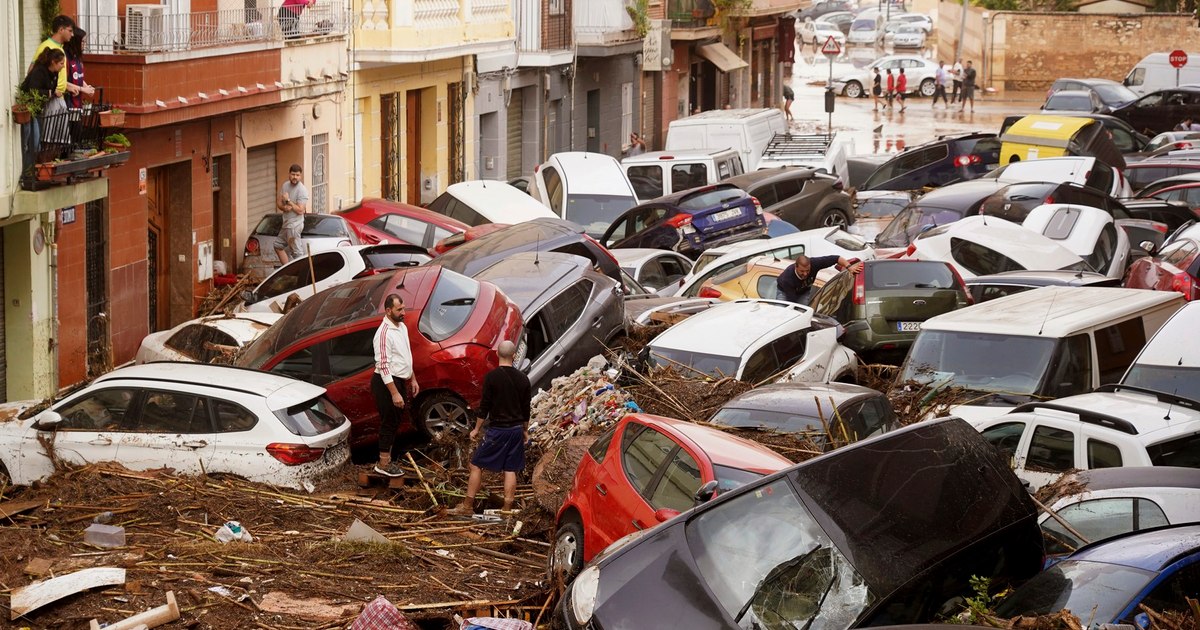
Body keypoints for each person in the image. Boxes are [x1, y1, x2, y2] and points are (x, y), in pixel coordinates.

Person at [448, 340, 531, 517]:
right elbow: (526, 409)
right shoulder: (523, 379)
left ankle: (468, 505)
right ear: (514, 355)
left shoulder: (491, 378)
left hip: (498, 430)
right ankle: (507, 509)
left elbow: (484, 408)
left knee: (476, 465)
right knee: (510, 469)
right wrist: (525, 430)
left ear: (497, 355)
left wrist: (476, 429)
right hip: (515, 430)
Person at [371, 294, 419, 477]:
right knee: (389, 422)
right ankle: (383, 464)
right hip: (386, 383)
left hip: (400, 380)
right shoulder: (383, 334)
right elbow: (383, 366)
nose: (403, 312)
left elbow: (406, 355)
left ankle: (388, 459)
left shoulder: (402, 327)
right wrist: (394, 393)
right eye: (399, 309)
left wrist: (412, 378)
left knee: (397, 420)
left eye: (403, 308)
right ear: (388, 310)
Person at [19, 47, 66, 180]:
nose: (63, 67)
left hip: (40, 109)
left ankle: (30, 171)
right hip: (29, 107)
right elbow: (34, 90)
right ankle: (26, 173)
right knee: (32, 141)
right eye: (61, 63)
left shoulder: (54, 74)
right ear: (53, 62)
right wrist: (51, 93)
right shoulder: (39, 71)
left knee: (37, 142)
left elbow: (50, 88)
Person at [776, 255, 864, 306]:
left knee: (803, 312)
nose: (805, 274)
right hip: (785, 292)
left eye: (808, 270)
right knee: (785, 312)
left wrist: (849, 267)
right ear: (796, 267)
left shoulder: (815, 263)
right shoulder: (787, 278)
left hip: (804, 290)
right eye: (802, 271)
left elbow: (837, 258)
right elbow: (792, 303)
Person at [274, 164, 308, 265]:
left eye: (297, 175)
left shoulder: (302, 190)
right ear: (289, 174)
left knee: (297, 253)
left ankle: (301, 276)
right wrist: (284, 207)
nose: (295, 177)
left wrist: (288, 201)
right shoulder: (285, 185)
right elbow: (279, 203)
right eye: (293, 174)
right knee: (277, 246)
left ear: (300, 176)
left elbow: (301, 210)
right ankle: (287, 272)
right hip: (286, 223)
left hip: (294, 225)